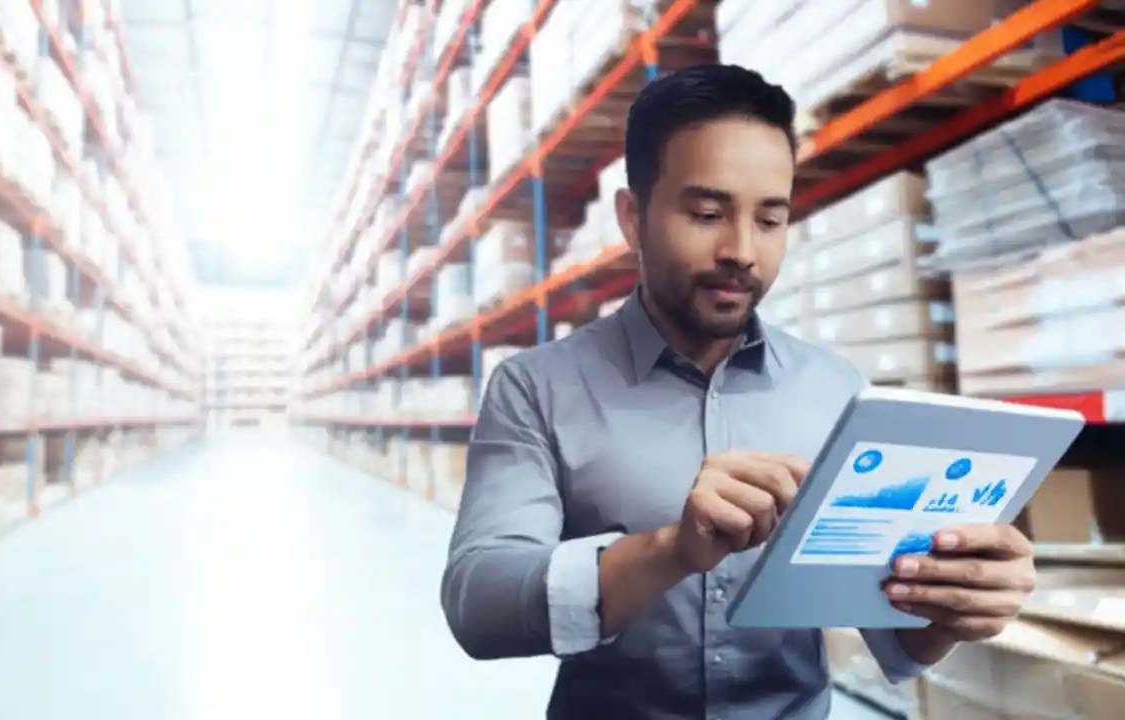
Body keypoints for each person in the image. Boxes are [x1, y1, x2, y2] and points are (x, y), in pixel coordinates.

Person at [440, 64, 1037, 719]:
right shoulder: (536, 389)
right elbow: (480, 604)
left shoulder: (836, 390)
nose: (743, 251)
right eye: (706, 213)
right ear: (633, 219)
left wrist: (955, 605)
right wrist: (669, 551)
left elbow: (892, 633)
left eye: (771, 220)